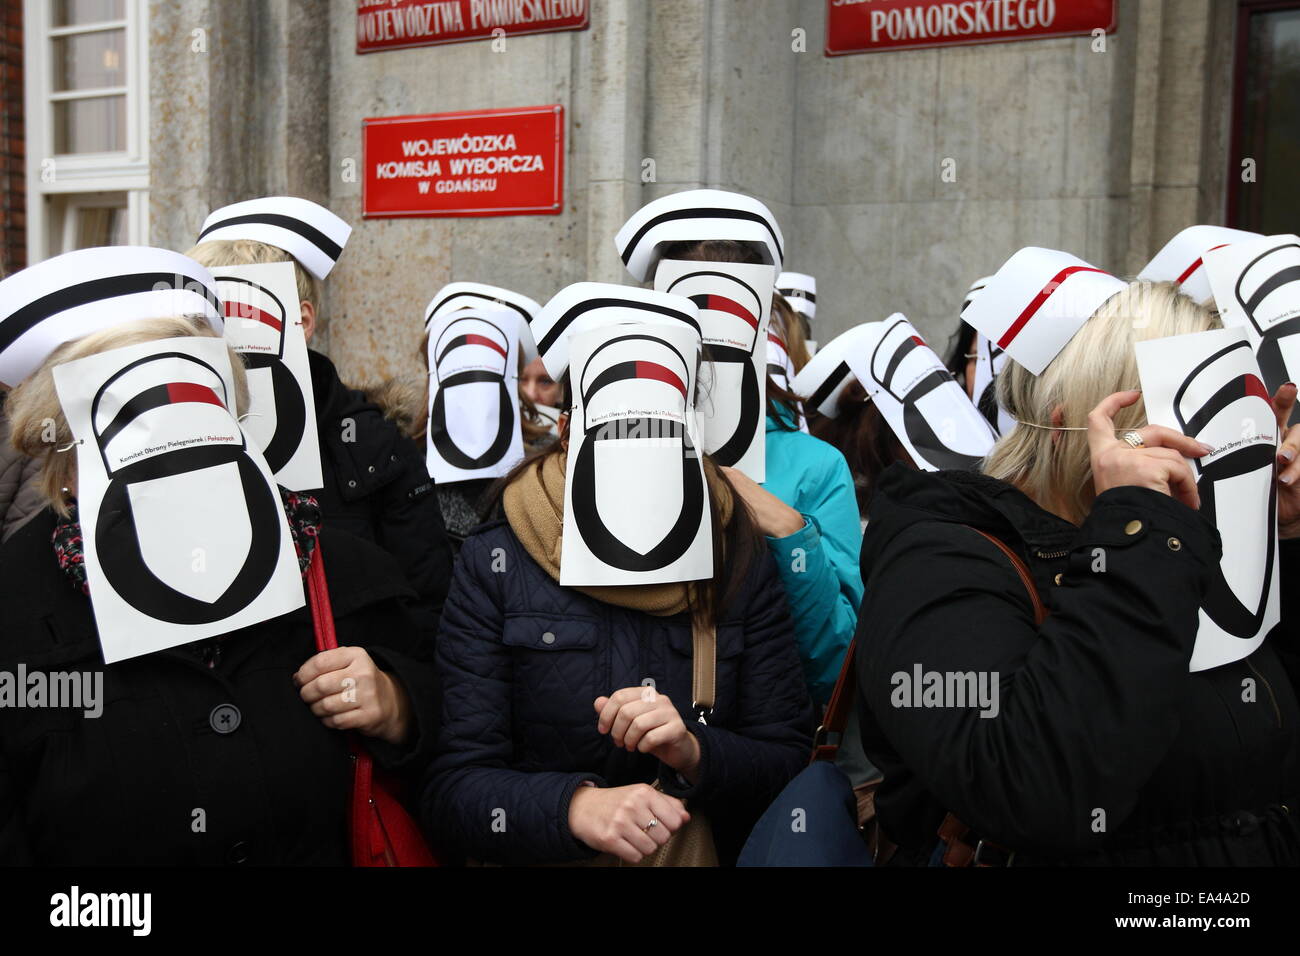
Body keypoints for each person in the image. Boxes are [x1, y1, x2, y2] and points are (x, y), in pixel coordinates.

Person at [0, 256, 440, 863]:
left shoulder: (337, 569)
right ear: (60, 440)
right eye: (130, 422)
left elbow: (451, 741)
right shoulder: (14, 609)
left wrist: (398, 706)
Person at [855, 278, 1300, 865]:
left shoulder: (1176, 539)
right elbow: (1037, 788)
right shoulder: (940, 559)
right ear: (1086, 423)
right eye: (1189, 416)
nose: (1210, 443)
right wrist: (1134, 532)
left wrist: (1279, 537)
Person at [423, 289, 813, 866]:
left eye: (660, 428)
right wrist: (574, 808)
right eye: (617, 428)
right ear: (566, 429)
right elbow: (453, 789)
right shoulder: (498, 560)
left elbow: (786, 760)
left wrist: (693, 752)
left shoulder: (736, 555)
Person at [187, 197, 452, 627]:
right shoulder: (163, 442)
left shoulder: (375, 450)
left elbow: (428, 610)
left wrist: (390, 682)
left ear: (301, 320)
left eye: (241, 313)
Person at [646, 229, 862, 706]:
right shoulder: (606, 450)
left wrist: (789, 532)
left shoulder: (816, 467)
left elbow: (838, 663)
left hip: (770, 739)